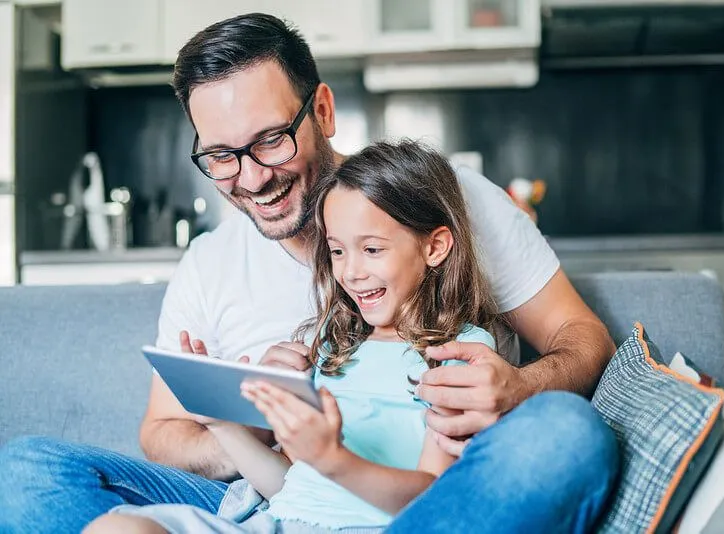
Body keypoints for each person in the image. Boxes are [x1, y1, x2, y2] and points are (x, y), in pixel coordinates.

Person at [0, 13, 618, 533]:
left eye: (271, 140)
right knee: (27, 474)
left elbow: (584, 339)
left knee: (566, 434)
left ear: (321, 110)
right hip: (267, 504)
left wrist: (517, 389)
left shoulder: (451, 201)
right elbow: (164, 433)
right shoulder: (216, 265)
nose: (252, 177)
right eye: (221, 156)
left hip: (418, 510)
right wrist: (268, 426)